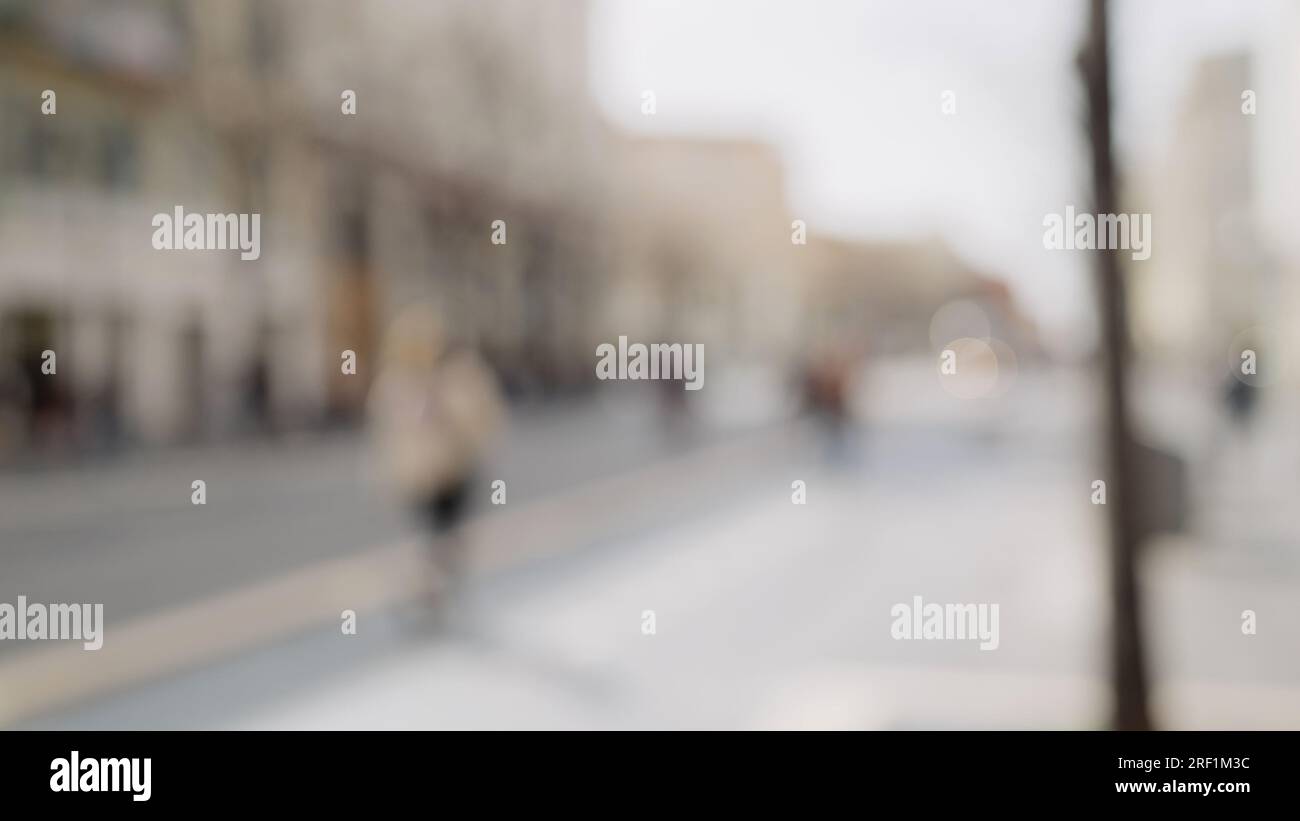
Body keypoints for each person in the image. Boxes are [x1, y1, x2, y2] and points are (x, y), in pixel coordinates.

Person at [367, 304, 504, 595]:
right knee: (435, 534)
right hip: (421, 474)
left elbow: (479, 417)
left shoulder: (456, 375)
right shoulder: (397, 380)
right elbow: (388, 428)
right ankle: (431, 585)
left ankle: (436, 583)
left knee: (446, 534)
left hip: (452, 470)